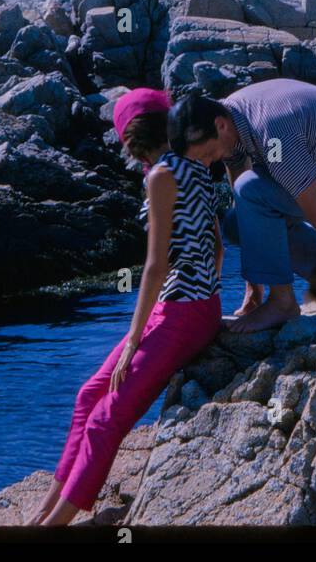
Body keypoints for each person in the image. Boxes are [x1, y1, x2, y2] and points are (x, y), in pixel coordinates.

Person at [30, 88, 222, 526]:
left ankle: (55, 523)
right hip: (190, 306)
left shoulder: (160, 177)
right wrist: (207, 295)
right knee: (87, 396)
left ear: (131, 136)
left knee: (105, 416)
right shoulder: (193, 166)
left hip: (180, 313)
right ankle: (46, 507)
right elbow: (218, 245)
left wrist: (135, 339)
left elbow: (154, 267)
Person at [167, 79, 316, 350]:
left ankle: (283, 303)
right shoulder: (230, 119)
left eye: (207, 154)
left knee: (252, 189)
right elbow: (248, 216)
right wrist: (253, 291)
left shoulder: (274, 138)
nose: (207, 164)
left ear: (219, 126)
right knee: (235, 223)